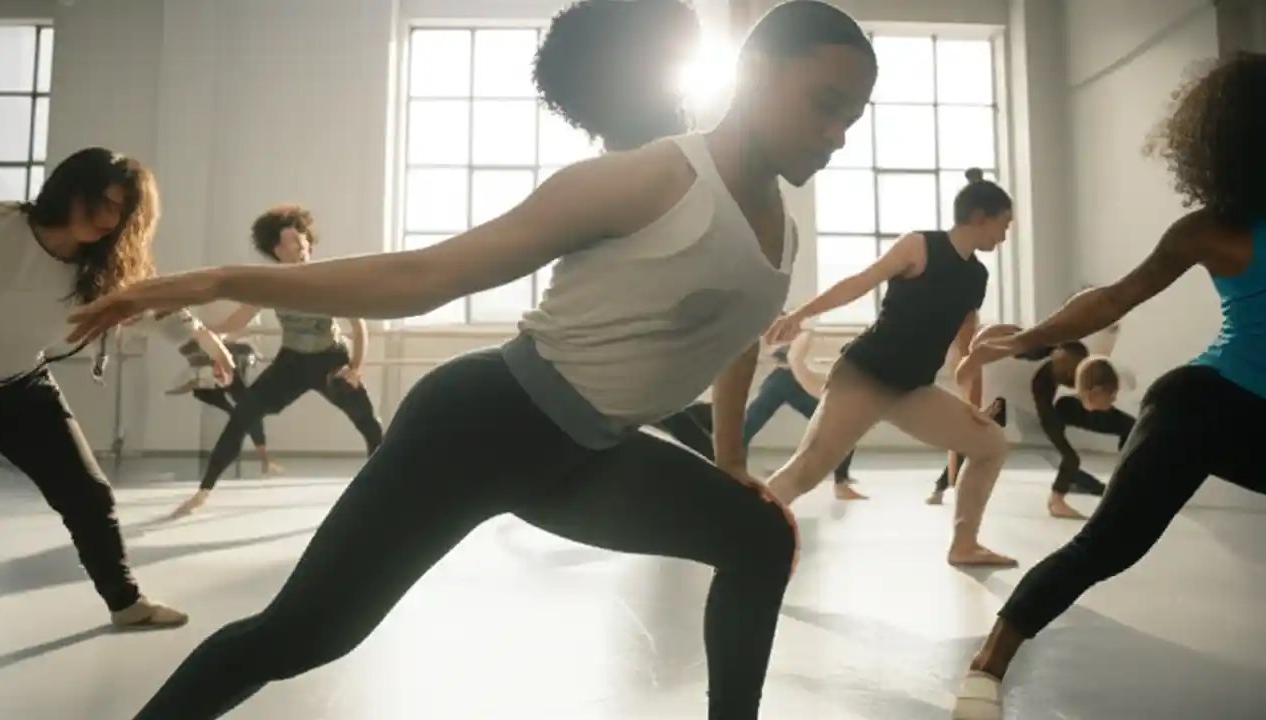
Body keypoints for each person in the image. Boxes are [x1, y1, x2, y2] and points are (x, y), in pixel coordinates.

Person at [65, 2, 880, 718]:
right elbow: (424, 277)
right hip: (482, 424)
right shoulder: (648, 178)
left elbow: (738, 339)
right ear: (755, 73)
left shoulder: (782, 227)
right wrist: (216, 278)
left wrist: (732, 463)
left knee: (760, 539)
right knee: (305, 634)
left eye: (852, 117)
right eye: (824, 105)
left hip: (586, 456)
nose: (837, 135)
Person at [951, 52, 1266, 720]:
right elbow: (1116, 297)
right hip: (1206, 405)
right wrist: (1030, 338)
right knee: (1108, 546)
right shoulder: (1212, 230)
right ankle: (988, 666)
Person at [763, 168, 1017, 567]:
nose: (1004, 236)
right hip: (863, 376)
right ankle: (741, 534)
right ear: (981, 217)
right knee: (807, 470)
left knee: (990, 444)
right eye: (1004, 225)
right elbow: (860, 282)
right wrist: (802, 313)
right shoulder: (919, 246)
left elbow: (963, 347)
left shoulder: (976, 276)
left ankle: (964, 545)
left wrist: (970, 405)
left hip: (912, 391)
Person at [0, 148, 187, 628]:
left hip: (18, 387)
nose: (107, 219)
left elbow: (157, 302)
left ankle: (125, 603)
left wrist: (205, 347)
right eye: (100, 202)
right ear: (68, 189)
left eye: (120, 211)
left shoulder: (101, 269)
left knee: (88, 493)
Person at [169, 205, 383, 517]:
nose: (303, 247)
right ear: (277, 250)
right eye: (294, 242)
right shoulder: (270, 285)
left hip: (330, 360)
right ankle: (203, 492)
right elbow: (237, 321)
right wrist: (202, 332)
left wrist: (355, 368)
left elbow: (359, 326)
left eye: (304, 240)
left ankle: (382, 490)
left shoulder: (328, 279)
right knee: (243, 415)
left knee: (368, 422)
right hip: (292, 363)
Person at [927, 341, 1135, 518]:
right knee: (1065, 457)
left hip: (1051, 404)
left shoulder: (1074, 368)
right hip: (1020, 406)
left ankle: (1114, 484)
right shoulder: (1040, 379)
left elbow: (1098, 379)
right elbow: (1049, 429)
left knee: (1127, 427)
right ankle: (941, 485)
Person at [148, 308, 283, 477]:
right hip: (207, 348)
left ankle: (263, 458)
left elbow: (230, 328)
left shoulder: (209, 348)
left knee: (243, 404)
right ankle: (262, 457)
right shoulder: (190, 337)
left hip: (217, 349)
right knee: (238, 403)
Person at [744, 324, 865, 499]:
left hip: (789, 381)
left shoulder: (803, 335)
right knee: (747, 427)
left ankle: (842, 482)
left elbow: (799, 360)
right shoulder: (775, 340)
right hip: (781, 381)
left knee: (843, 427)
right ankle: (841, 483)